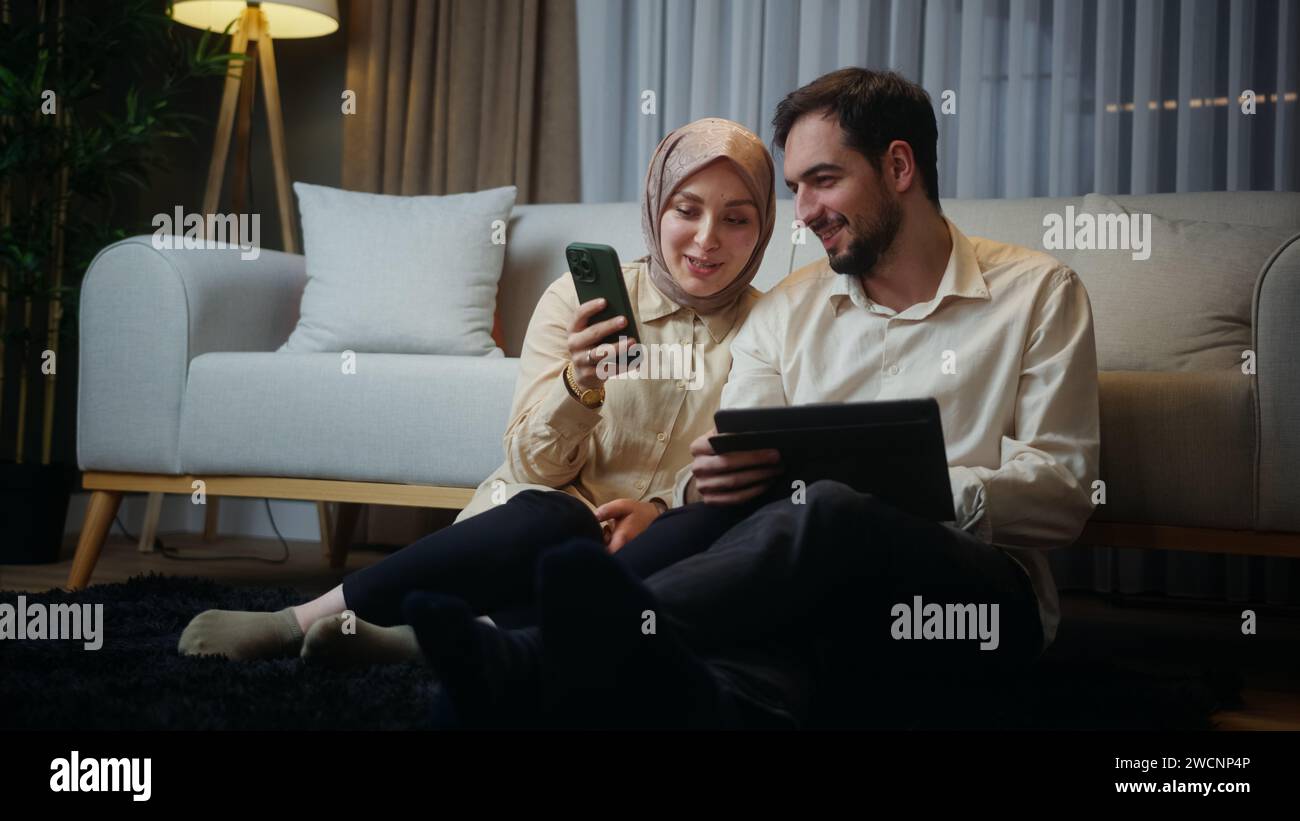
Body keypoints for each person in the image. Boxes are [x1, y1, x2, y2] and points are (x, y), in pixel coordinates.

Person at [405, 68, 1100, 729]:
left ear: (898, 166)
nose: (808, 214)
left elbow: (1067, 494)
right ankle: (583, 685)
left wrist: (916, 492)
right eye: (797, 188)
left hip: (973, 598)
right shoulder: (787, 311)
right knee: (752, 652)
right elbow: (732, 460)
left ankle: (542, 645)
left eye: (824, 181)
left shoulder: (1038, 293)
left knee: (829, 506)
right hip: (821, 591)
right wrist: (695, 485)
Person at [177, 117, 779, 664]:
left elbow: (742, 474)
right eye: (687, 209)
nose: (706, 240)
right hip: (536, 529)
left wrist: (660, 511)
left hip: (660, 549)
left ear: (764, 228)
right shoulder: (578, 299)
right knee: (552, 515)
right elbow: (530, 464)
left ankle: (447, 642)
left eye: (736, 218)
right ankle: (296, 620)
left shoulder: (774, 327)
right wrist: (581, 385)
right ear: (656, 207)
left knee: (696, 540)